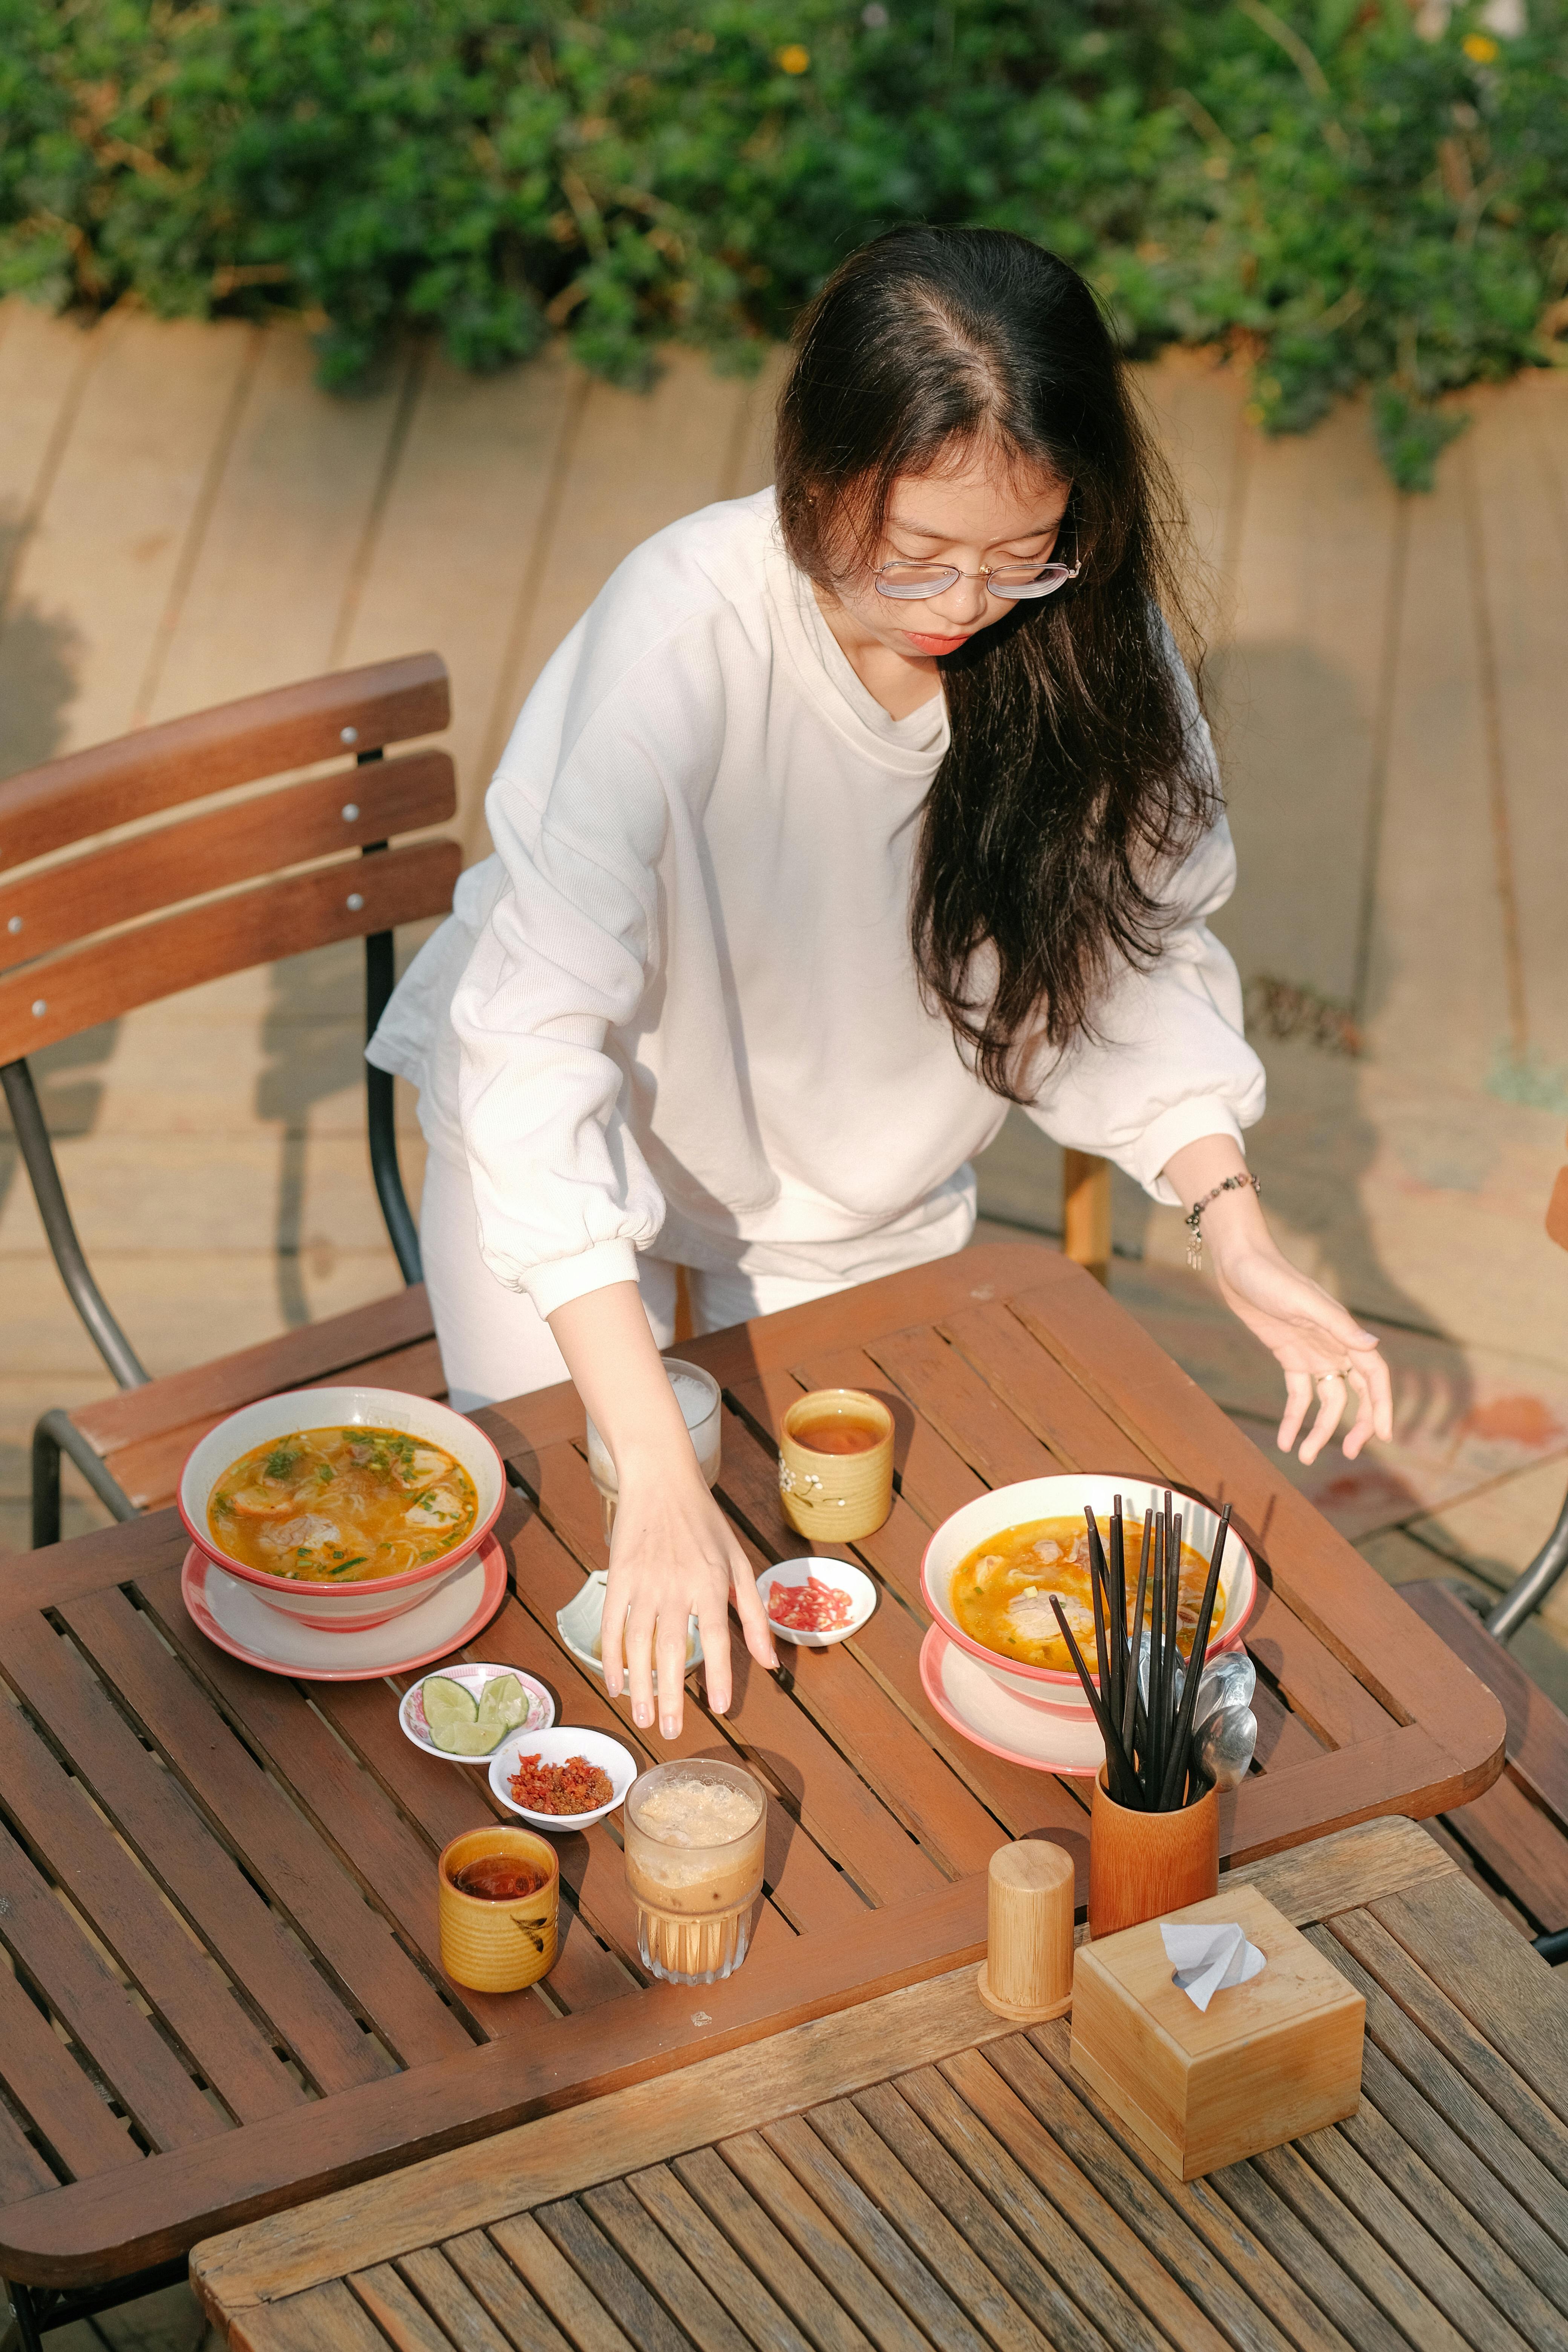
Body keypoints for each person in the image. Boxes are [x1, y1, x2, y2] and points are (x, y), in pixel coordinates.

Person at [370, 225, 1393, 1740]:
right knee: (605, 1603)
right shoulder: (681, 641)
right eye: (912, 555)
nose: (964, 602)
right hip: (578, 1189)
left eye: (1019, 551)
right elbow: (533, 1058)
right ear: (812, 472)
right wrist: (649, 1463)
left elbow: (1122, 963)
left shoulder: (1080, 637)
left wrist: (1227, 1227)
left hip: (861, 1209)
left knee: (848, 1643)